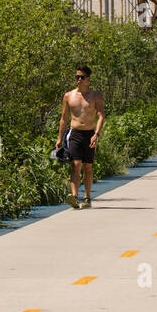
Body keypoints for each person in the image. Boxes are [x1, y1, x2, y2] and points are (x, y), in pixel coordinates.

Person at [55, 66, 104, 209]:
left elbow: (101, 115)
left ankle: (87, 197)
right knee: (75, 165)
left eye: (82, 77)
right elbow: (63, 119)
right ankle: (75, 197)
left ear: (88, 79)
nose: (78, 79)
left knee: (87, 167)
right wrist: (59, 138)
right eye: (77, 77)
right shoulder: (68, 96)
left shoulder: (95, 96)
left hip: (89, 134)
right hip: (74, 133)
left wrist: (97, 134)